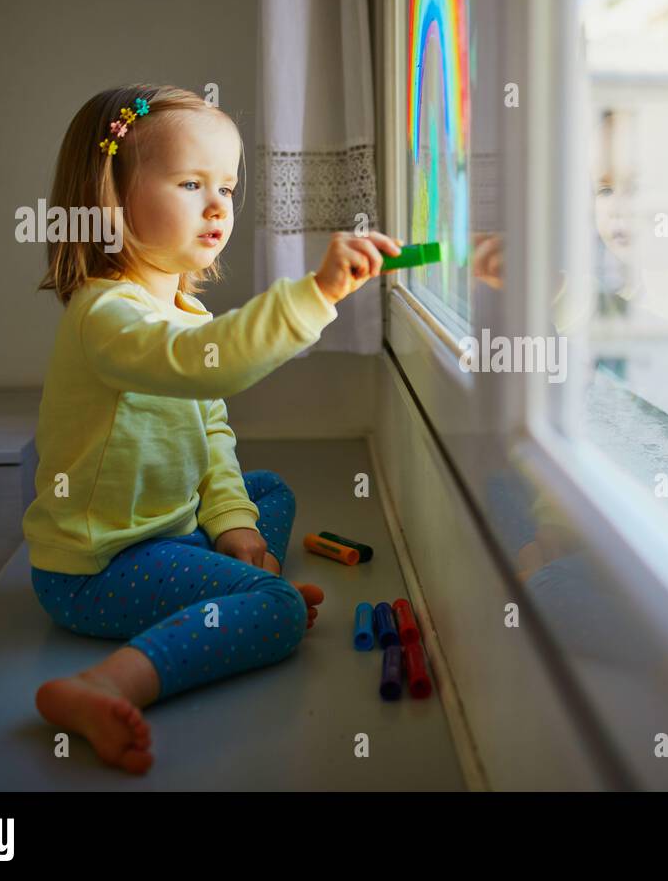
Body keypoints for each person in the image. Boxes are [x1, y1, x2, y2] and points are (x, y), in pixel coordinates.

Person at [22, 84, 399, 774]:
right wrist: (316, 295)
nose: (219, 204)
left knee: (266, 491)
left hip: (162, 533)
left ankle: (238, 574)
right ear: (111, 200)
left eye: (225, 185)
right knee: (282, 612)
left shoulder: (188, 316)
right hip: (98, 567)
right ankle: (105, 683)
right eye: (191, 183)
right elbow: (207, 368)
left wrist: (236, 528)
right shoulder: (106, 315)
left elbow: (211, 441)